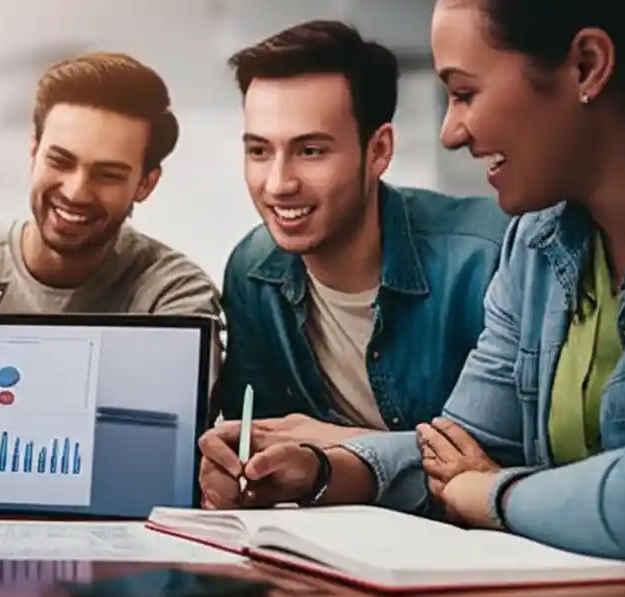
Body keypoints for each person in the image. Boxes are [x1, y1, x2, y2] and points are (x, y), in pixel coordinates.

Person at [201, 0, 625, 578]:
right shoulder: (538, 237)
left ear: (587, 65)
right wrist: (320, 470)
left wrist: (491, 495)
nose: (450, 132)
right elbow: (453, 451)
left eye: (464, 93)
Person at [196, 20, 508, 504]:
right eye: (259, 150)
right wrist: (241, 474)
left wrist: (336, 444)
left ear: (379, 150)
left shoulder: (488, 255)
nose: (278, 183)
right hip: (334, 551)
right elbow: (265, 451)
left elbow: (502, 460)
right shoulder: (253, 269)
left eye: (311, 150)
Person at [0, 51, 221, 323]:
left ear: (145, 184)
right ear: (33, 153)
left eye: (108, 175)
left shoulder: (173, 293)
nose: (76, 192)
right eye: (60, 161)